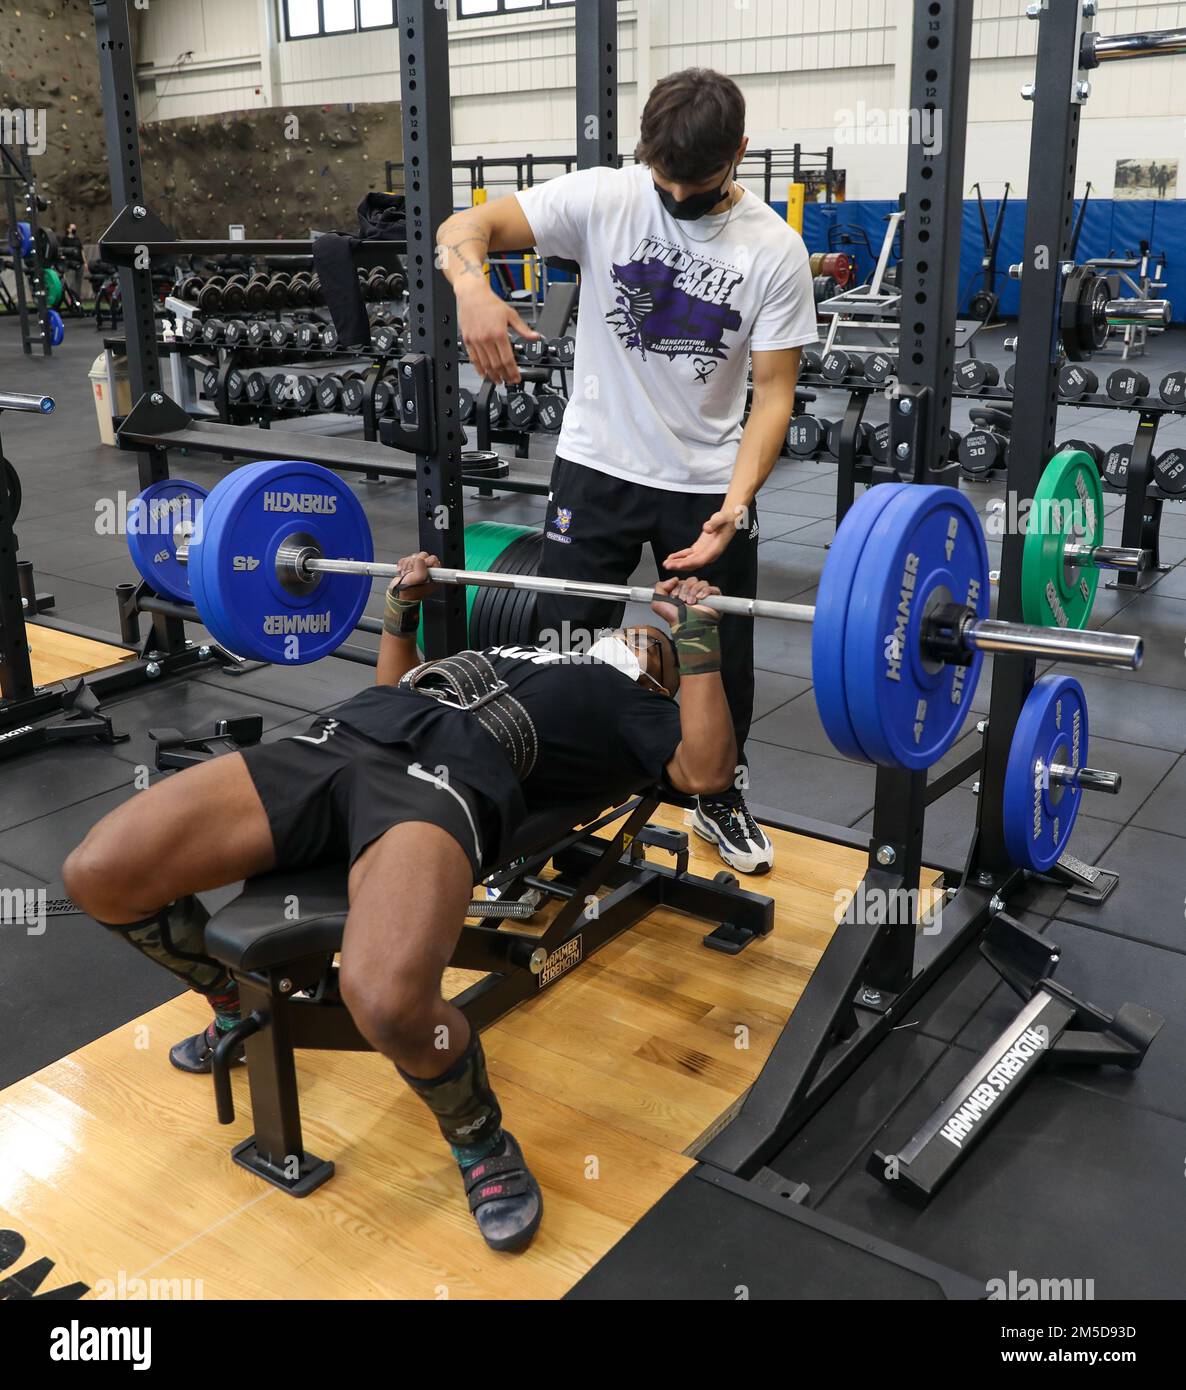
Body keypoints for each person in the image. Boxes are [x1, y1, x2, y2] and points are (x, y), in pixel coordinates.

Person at [63, 559, 738, 1253]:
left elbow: (707, 771)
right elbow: (394, 686)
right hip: (334, 739)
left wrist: (697, 642)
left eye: (652, 646)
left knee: (385, 999)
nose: (637, 637)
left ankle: (480, 1140)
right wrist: (401, 610)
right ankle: (231, 1002)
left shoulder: (636, 705)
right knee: (100, 871)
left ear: (664, 677)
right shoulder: (510, 652)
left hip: (437, 791)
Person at [435, 68, 819, 877]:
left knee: (721, 648)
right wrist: (470, 287)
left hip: (709, 481)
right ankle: (545, 787)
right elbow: (461, 225)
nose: (675, 196)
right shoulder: (604, 196)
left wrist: (738, 501)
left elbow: (774, 394)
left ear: (740, 154)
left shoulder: (775, 252)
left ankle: (718, 795)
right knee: (559, 639)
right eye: (663, 178)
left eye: (696, 185)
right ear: (644, 153)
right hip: (597, 465)